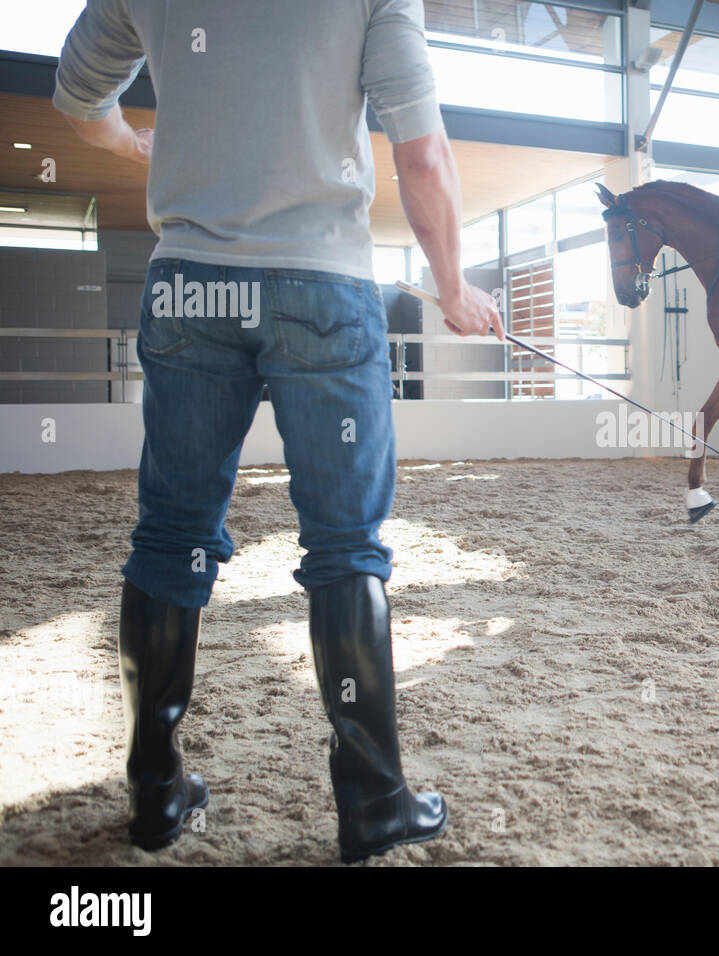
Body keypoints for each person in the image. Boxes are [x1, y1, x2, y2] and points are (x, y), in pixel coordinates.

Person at [53, 0, 502, 863]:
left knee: (170, 534)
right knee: (347, 547)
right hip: (321, 284)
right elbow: (421, 149)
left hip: (190, 286)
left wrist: (127, 143)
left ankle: (154, 792)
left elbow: (78, 97)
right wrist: (450, 284)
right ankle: (372, 801)